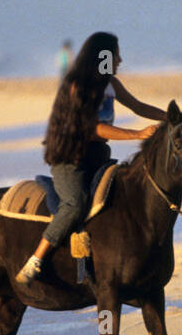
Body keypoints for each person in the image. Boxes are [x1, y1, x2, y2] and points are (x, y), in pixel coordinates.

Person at [16, 32, 167, 285]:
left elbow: (138, 106)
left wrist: (173, 119)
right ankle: (36, 260)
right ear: (104, 56)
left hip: (98, 156)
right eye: (116, 54)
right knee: (75, 204)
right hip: (71, 159)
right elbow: (91, 127)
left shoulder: (111, 84)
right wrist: (138, 134)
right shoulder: (77, 85)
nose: (120, 60)